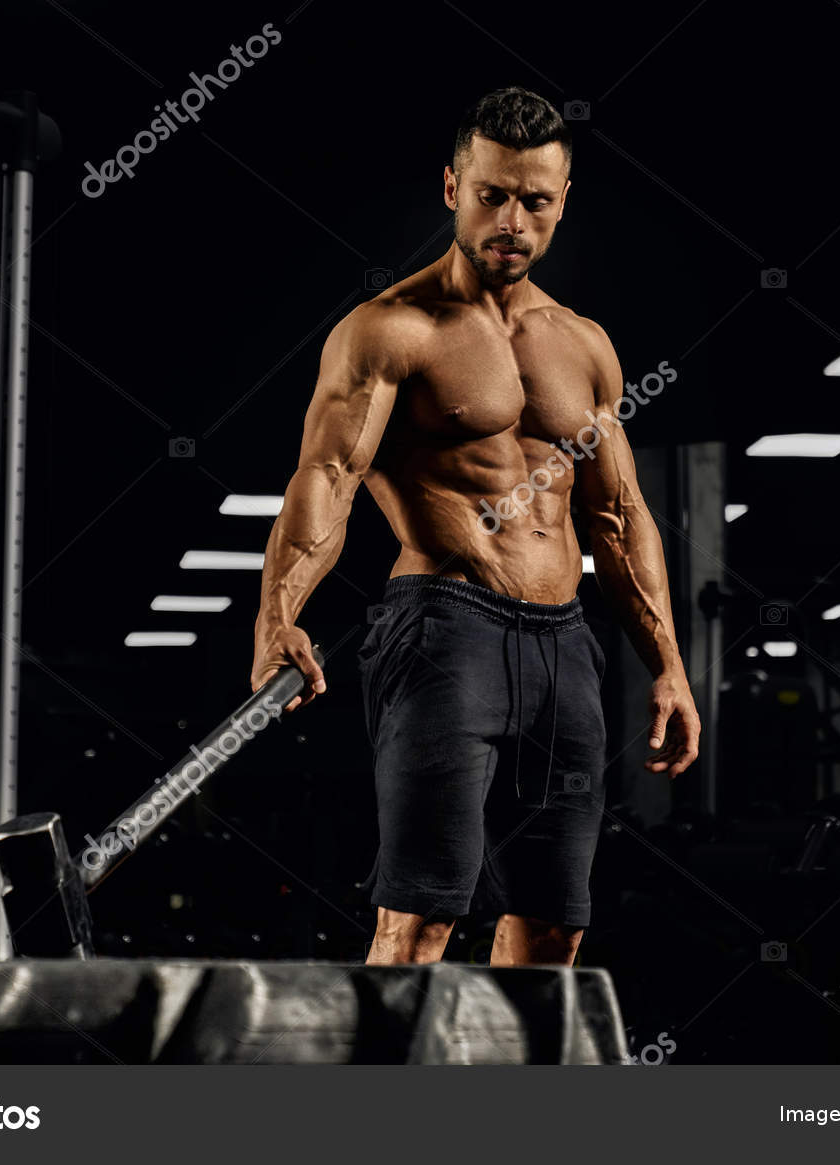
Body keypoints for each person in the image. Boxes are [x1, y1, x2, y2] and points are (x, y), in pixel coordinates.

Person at [250, 86, 699, 967]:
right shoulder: (389, 330)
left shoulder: (585, 344)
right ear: (453, 187)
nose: (512, 218)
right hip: (446, 629)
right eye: (492, 193)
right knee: (420, 920)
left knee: (554, 922)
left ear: (562, 202)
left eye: (535, 200)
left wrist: (671, 666)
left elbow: (617, 513)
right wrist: (277, 614)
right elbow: (329, 478)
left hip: (567, 645)